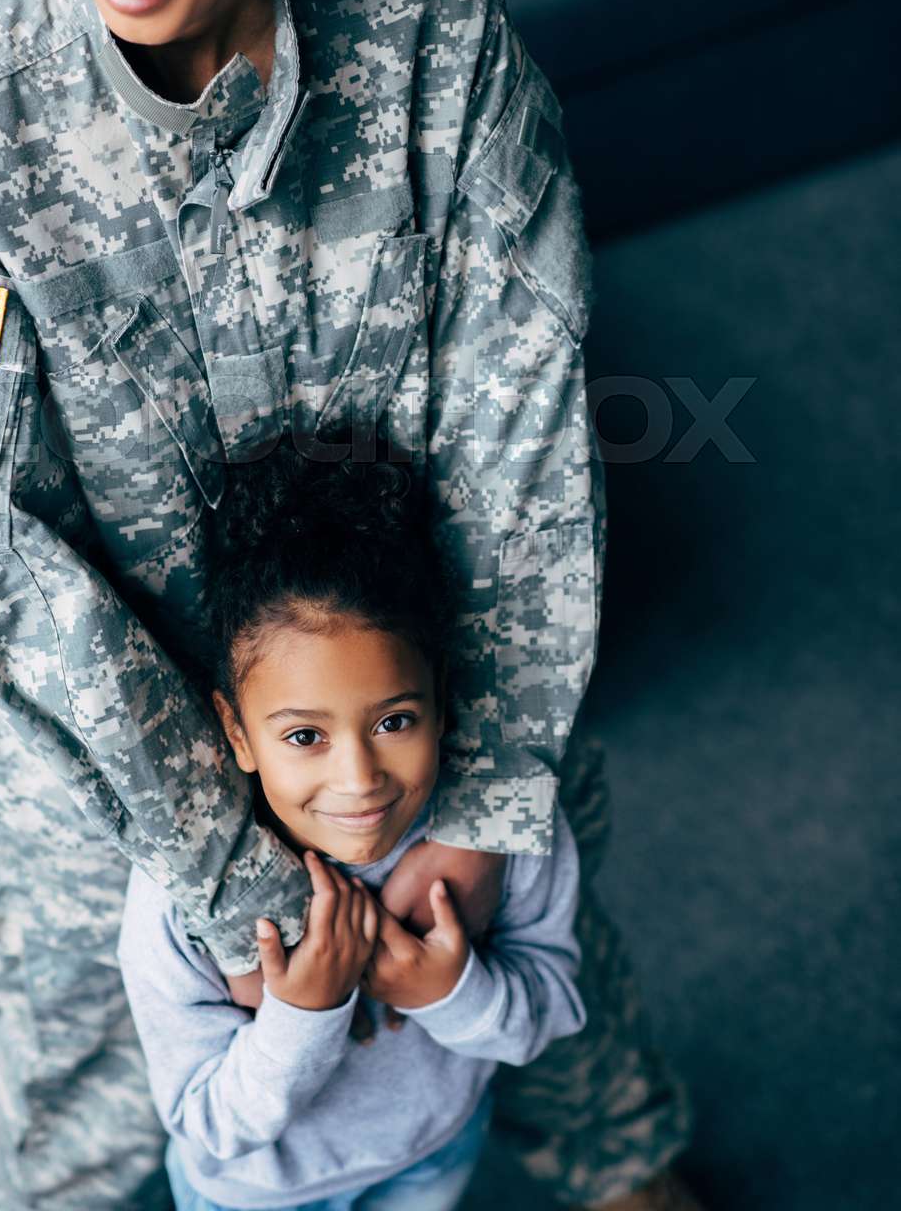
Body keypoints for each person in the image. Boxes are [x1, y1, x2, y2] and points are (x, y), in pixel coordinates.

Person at [0, 0, 702, 1210]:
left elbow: (522, 434)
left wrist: (488, 794)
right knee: (83, 1096)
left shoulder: (445, 47)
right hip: (110, 765)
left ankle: (626, 1169)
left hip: (417, 700)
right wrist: (231, 874)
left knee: (539, 978)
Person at [118, 436, 588, 1211]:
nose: (359, 778)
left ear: (440, 698)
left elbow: (550, 1010)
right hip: (259, 1198)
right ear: (237, 734)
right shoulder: (180, 902)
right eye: (305, 736)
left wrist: (453, 992)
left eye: (394, 721)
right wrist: (304, 1016)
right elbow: (204, 1121)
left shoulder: (504, 836)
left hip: (435, 1152)